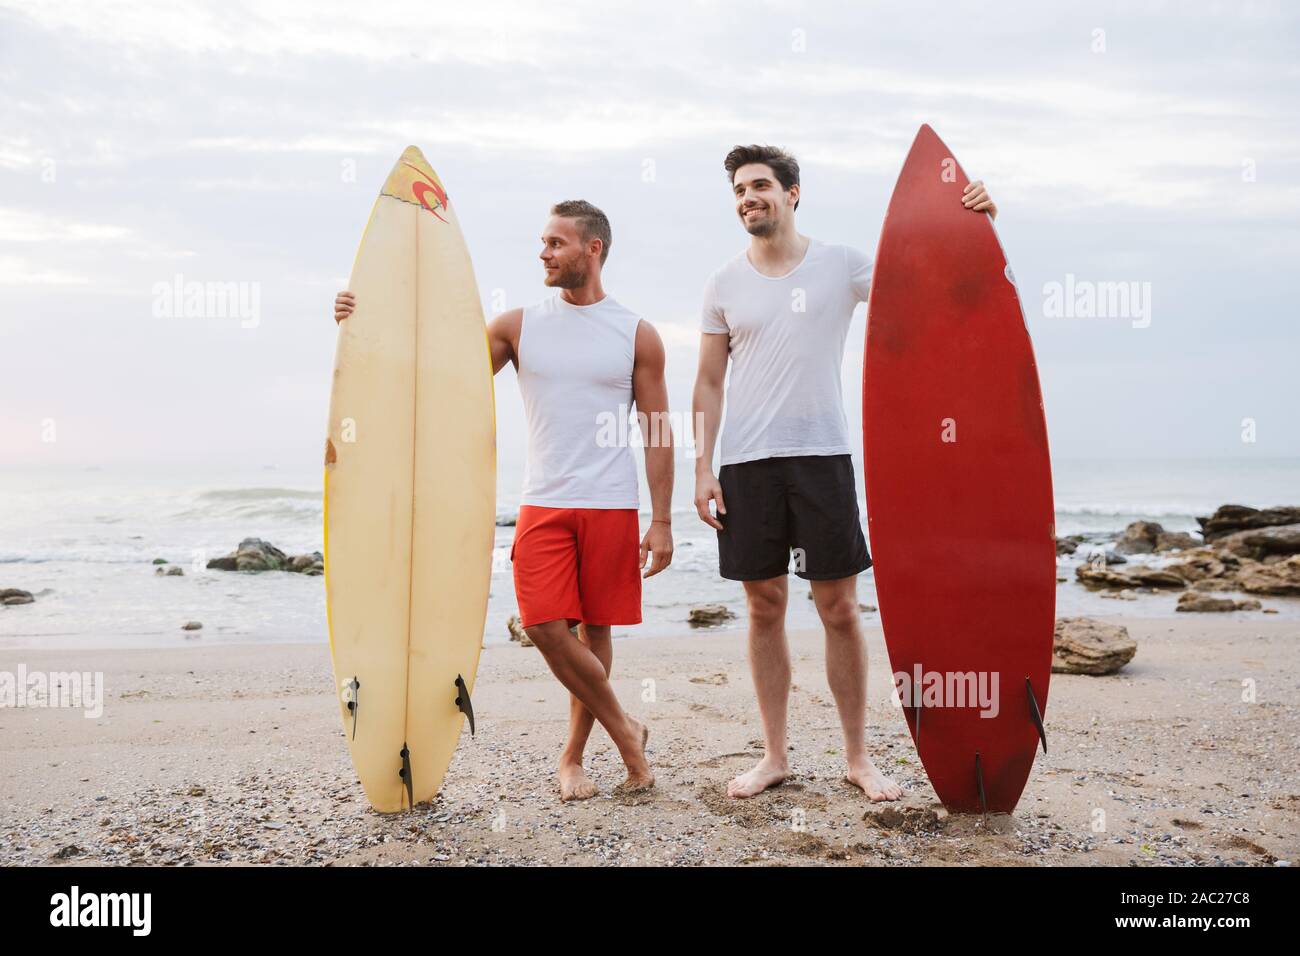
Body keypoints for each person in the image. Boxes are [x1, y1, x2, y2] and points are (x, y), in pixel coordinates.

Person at [334, 199, 674, 800]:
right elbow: (436, 378)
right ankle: (627, 731)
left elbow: (657, 431)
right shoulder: (519, 326)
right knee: (544, 624)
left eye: (555, 244)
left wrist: (663, 519)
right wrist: (362, 323)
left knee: (595, 633)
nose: (543, 253)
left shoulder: (636, 333)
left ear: (592, 249)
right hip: (543, 501)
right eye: (542, 243)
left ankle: (571, 758)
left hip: (612, 504)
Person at [691, 144, 997, 800]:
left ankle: (857, 758)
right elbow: (710, 382)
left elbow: (928, 285)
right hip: (745, 463)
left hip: (822, 457)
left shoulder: (840, 264)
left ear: (793, 193)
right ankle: (775, 756)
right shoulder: (723, 283)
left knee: (839, 608)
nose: (749, 197)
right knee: (763, 604)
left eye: (761, 185)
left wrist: (972, 219)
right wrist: (701, 467)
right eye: (740, 189)